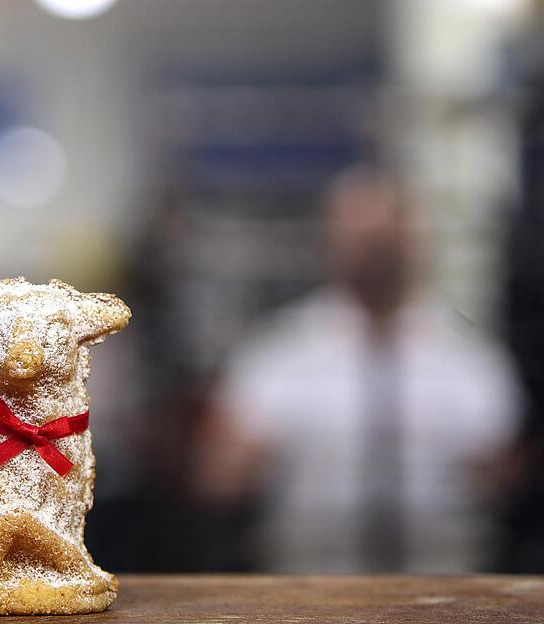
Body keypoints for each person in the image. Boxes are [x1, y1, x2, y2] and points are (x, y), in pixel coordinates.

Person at [205, 167, 521, 573]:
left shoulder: (469, 356)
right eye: (360, 235)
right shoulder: (279, 353)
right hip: (308, 591)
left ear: (415, 241)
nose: (375, 250)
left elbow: (509, 476)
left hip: (445, 588)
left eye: (387, 235)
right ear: (331, 241)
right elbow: (220, 477)